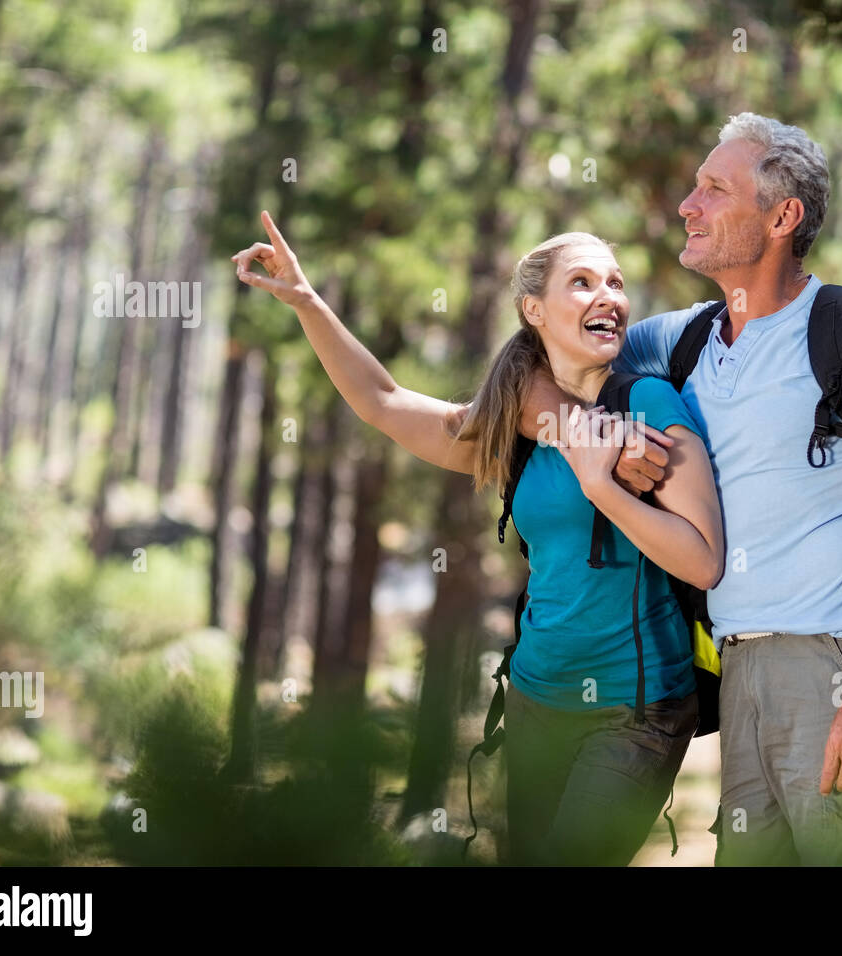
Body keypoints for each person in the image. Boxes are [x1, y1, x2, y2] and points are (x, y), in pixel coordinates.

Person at [231, 216, 724, 865]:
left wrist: (602, 486)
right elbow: (382, 401)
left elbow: (705, 559)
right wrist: (306, 300)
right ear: (534, 309)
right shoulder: (512, 429)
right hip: (535, 701)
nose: (609, 295)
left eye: (615, 282)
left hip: (636, 711)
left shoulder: (650, 404)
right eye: (582, 282)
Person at [525, 113, 842, 865]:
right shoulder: (685, 338)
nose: (688, 204)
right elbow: (545, 361)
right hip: (738, 668)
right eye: (694, 187)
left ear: (782, 217)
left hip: (838, 664)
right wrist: (603, 441)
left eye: (714, 189)